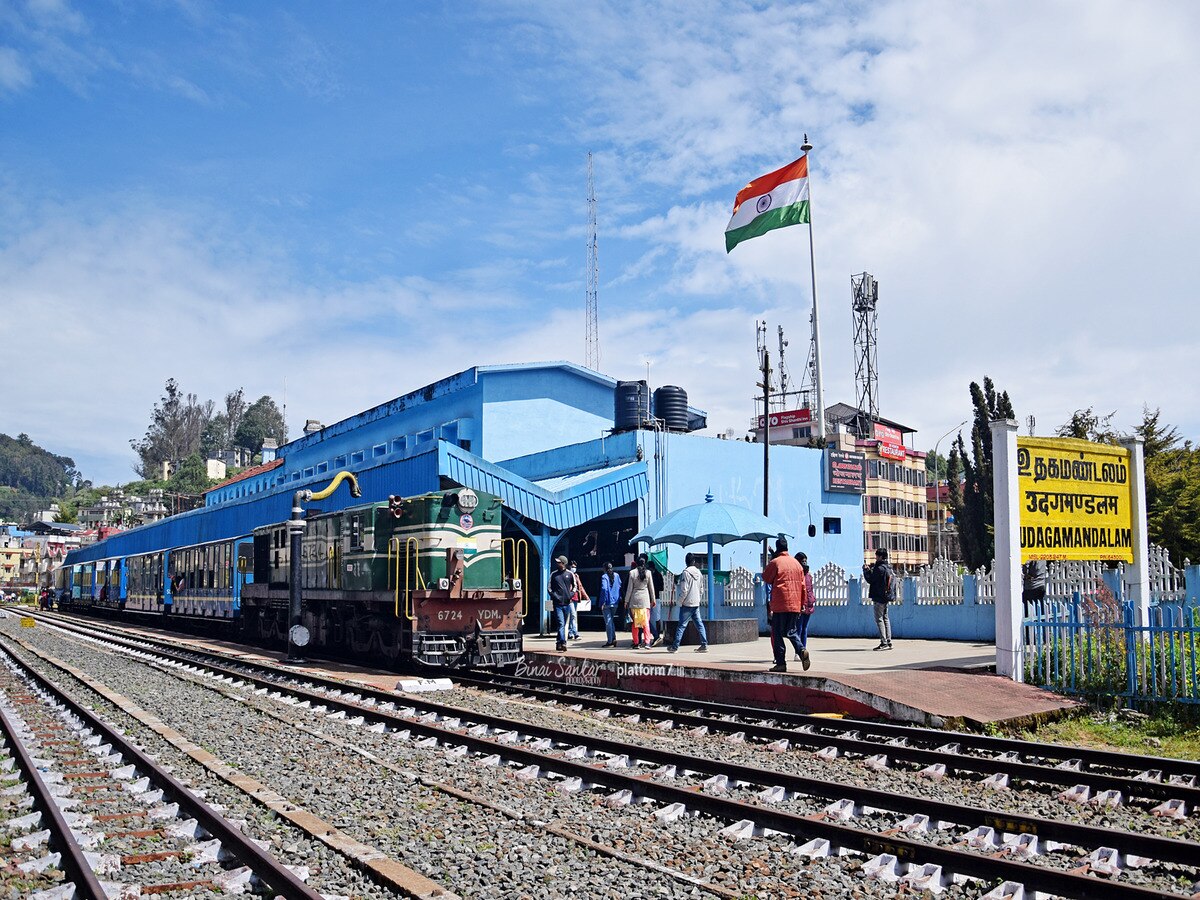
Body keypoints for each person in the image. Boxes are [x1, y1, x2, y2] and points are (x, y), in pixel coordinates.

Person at [762, 536, 808, 672]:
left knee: (777, 633)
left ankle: (781, 663)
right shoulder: (797, 564)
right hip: (795, 603)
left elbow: (766, 577)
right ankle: (801, 650)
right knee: (791, 631)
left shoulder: (776, 562)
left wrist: (771, 560)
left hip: (780, 604)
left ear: (777, 548)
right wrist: (802, 604)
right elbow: (803, 586)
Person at [669, 553, 708, 653]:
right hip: (696, 603)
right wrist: (698, 598)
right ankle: (704, 644)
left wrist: (679, 602)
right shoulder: (699, 573)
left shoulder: (685, 573)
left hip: (687, 604)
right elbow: (701, 589)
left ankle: (675, 646)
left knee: (681, 626)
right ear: (694, 561)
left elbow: (684, 590)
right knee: (699, 624)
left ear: (686, 561)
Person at [863, 548, 896, 650]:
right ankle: (889, 641)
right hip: (886, 596)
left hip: (879, 597)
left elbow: (871, 579)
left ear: (880, 556)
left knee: (879, 619)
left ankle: (883, 642)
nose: (875, 557)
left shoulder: (879, 568)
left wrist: (866, 570)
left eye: (877, 555)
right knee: (886, 618)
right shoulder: (888, 567)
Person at [623, 555, 657, 648]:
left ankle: (636, 642)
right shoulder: (649, 573)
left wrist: (626, 601)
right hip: (645, 600)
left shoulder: (632, 573)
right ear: (644, 563)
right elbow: (651, 588)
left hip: (634, 600)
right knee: (645, 622)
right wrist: (653, 599)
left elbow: (629, 589)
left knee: (635, 623)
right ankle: (647, 642)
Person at [548, 555, 576, 652]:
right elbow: (549, 588)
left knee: (562, 624)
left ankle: (558, 642)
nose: (557, 563)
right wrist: (555, 596)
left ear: (563, 563)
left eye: (559, 562)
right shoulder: (553, 574)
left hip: (567, 603)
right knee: (561, 623)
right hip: (557, 604)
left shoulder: (570, 574)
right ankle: (563, 642)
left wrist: (570, 595)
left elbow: (575, 586)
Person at [794, 551, 815, 670]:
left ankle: (801, 650)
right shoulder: (803, 574)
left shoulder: (804, 575)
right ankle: (801, 650)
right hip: (804, 604)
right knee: (801, 628)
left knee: (802, 628)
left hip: (805, 604)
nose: (804, 562)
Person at [598, 562, 621, 647]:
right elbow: (619, 586)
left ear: (604, 568)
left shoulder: (604, 577)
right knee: (611, 620)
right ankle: (614, 638)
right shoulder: (617, 575)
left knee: (608, 622)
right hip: (615, 601)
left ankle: (610, 641)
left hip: (607, 602)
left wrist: (603, 602)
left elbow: (604, 589)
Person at [566, 561, 589, 640]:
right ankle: (575, 633)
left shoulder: (576, 576)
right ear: (569, 566)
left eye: (575, 567)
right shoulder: (567, 575)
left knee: (573, 616)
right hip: (570, 598)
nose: (574, 568)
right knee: (573, 615)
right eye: (572, 566)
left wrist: (586, 597)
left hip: (576, 598)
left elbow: (580, 587)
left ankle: (570, 633)